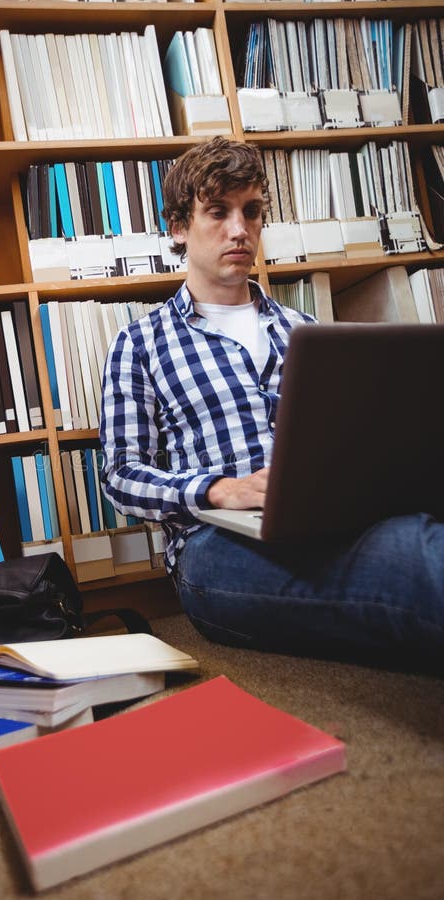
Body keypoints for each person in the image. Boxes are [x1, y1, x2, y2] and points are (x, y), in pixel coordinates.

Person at [99, 136, 444, 673]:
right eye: (218, 212)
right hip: (214, 548)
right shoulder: (139, 344)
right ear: (177, 228)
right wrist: (220, 490)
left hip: (326, 523)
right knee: (409, 558)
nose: (240, 230)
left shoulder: (306, 331)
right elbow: (120, 477)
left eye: (252, 211)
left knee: (414, 535)